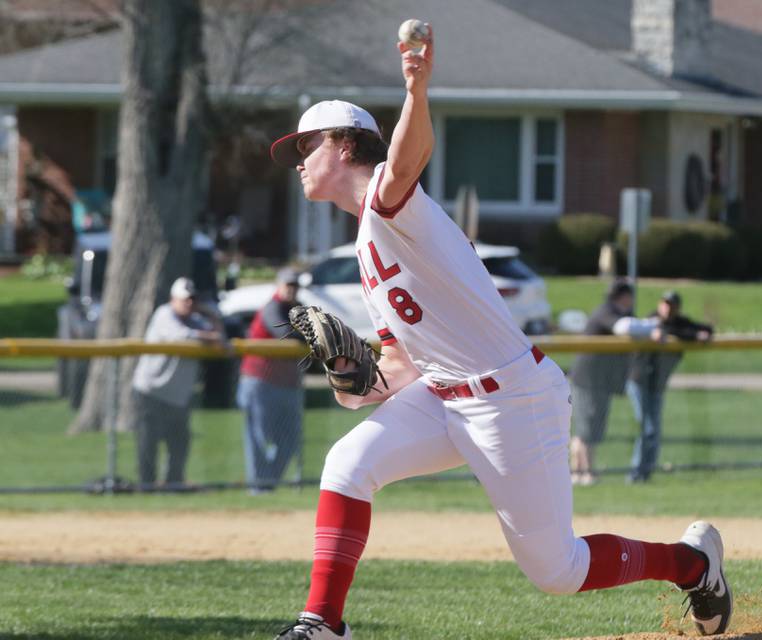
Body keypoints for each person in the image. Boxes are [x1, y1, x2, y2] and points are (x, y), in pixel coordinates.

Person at [267, 24, 731, 640]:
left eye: (307, 146)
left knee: (557, 571)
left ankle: (694, 565)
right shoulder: (366, 245)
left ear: (346, 145)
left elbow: (407, 156)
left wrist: (416, 86)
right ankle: (322, 623)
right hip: (442, 394)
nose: (299, 161)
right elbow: (398, 366)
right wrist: (352, 379)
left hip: (511, 400)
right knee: (347, 464)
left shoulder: (389, 200)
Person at [132, 277, 225, 488]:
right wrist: (209, 336)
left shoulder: (196, 320)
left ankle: (174, 483)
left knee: (180, 442)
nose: (189, 303)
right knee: (148, 441)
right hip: (151, 390)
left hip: (177, 396)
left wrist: (209, 314)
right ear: (173, 299)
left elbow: (220, 338)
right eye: (185, 299)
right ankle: (147, 485)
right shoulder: (164, 314)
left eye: (193, 299)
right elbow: (181, 337)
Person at [568, 280, 661, 486]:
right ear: (624, 296)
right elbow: (623, 327)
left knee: (587, 429)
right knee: (587, 429)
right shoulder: (607, 311)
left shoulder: (612, 311)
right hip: (589, 380)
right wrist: (652, 326)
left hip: (596, 380)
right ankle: (585, 473)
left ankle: (581, 473)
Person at [626, 290, 714, 483]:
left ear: (677, 308)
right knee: (647, 428)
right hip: (639, 381)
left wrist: (702, 333)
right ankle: (635, 474)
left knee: (654, 429)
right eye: (664, 303)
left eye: (671, 305)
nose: (667, 308)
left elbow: (704, 329)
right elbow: (670, 331)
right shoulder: (652, 320)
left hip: (657, 385)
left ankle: (646, 474)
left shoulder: (680, 322)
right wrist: (693, 335)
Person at [237, 267, 304, 492]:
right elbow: (283, 333)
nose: (291, 289)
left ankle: (267, 483)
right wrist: (309, 336)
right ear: (278, 286)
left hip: (285, 383)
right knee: (258, 436)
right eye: (288, 285)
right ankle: (260, 487)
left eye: (295, 285)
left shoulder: (299, 308)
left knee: (290, 438)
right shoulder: (272, 307)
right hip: (259, 381)